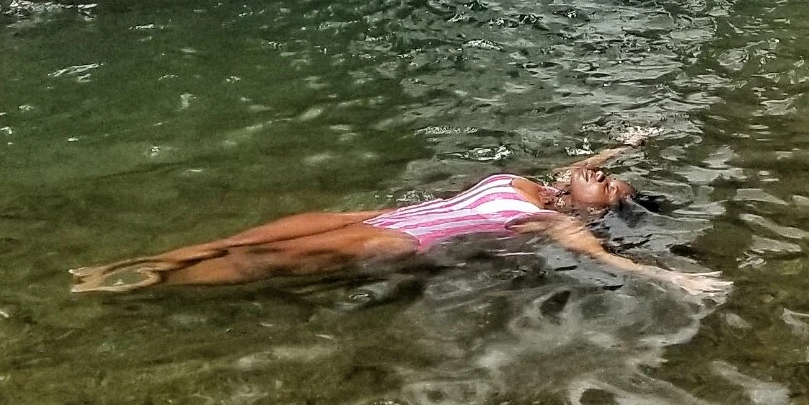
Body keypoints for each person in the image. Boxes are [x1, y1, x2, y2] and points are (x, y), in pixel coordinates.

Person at [69, 130, 728, 300]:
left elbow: (607, 259)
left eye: (606, 183)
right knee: (250, 235)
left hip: (404, 241)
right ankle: (141, 266)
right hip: (388, 213)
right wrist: (630, 146)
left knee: (263, 261)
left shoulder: (559, 223)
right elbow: (590, 158)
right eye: (597, 170)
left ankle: (142, 286)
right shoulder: (544, 185)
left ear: (598, 208)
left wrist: (675, 280)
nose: (596, 174)